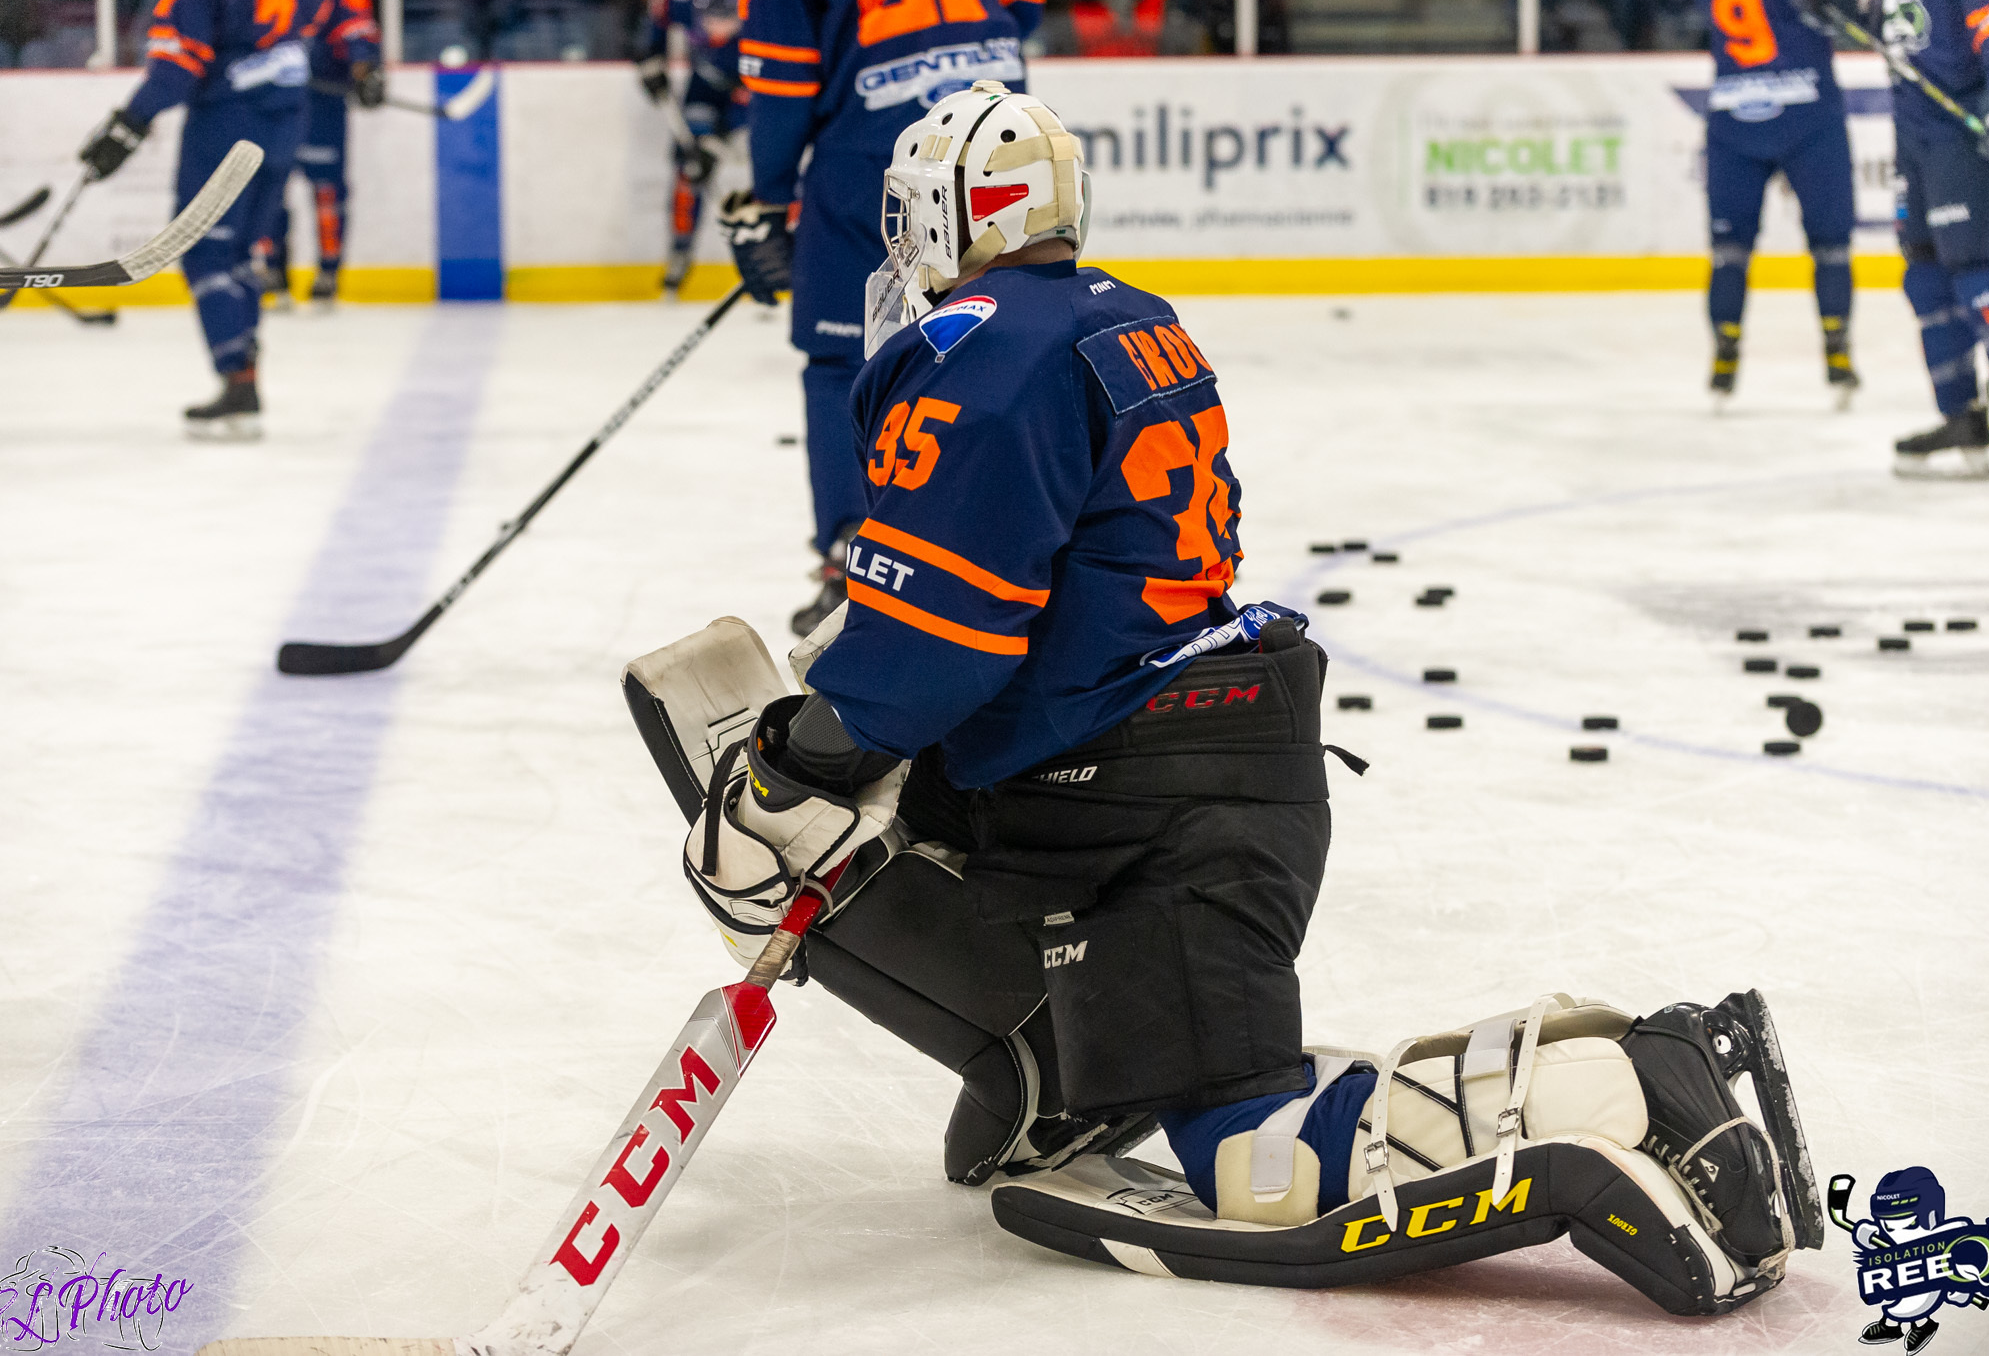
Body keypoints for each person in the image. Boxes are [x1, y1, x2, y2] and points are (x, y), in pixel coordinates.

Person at [671, 82, 1822, 1315]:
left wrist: (805, 758)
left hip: (1150, 796)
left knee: (1256, 1157)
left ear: (952, 215)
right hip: (1187, 750)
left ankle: (1637, 1086)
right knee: (945, 831)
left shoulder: (979, 350)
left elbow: (934, 632)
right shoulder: (1125, 317)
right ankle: (1058, 1070)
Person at [719, 0, 1042, 635]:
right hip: (1004, 153)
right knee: (1000, 346)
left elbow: (783, 84)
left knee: (845, 363)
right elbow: (1024, 14)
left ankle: (856, 560)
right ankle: (999, 550)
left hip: (871, 166)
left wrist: (768, 197)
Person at [76, 0, 334, 439]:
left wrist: (130, 122)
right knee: (239, 255)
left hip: (227, 130)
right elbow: (317, 19)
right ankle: (245, 376)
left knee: (206, 255)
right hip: (285, 125)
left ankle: (237, 376)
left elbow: (176, 72)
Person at [1801, 0, 1989, 477]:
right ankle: (1961, 419)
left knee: (1979, 275)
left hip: (1961, 139)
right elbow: (1884, 31)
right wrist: (1836, 8)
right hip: (1913, 142)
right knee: (1926, 278)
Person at [1704, 0, 1857, 408]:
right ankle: (1836, 347)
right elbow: (1853, 15)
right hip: (1807, 115)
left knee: (1731, 250)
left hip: (1738, 114)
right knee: (1830, 245)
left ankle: (1726, 350)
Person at [259, 0, 385, 310]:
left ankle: (328, 274)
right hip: (270, 101)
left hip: (321, 106)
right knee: (269, 187)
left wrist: (365, 67)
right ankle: (273, 270)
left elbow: (357, 28)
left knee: (326, 189)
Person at [635, 0, 748, 299]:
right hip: (705, 88)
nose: (715, 32)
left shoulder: (761, 7)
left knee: (769, 172)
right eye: (709, 23)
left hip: (756, 89)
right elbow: (658, 17)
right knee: (690, 166)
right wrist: (652, 57)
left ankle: (774, 260)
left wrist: (725, 132)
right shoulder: (683, 3)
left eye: (724, 22)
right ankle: (680, 253)